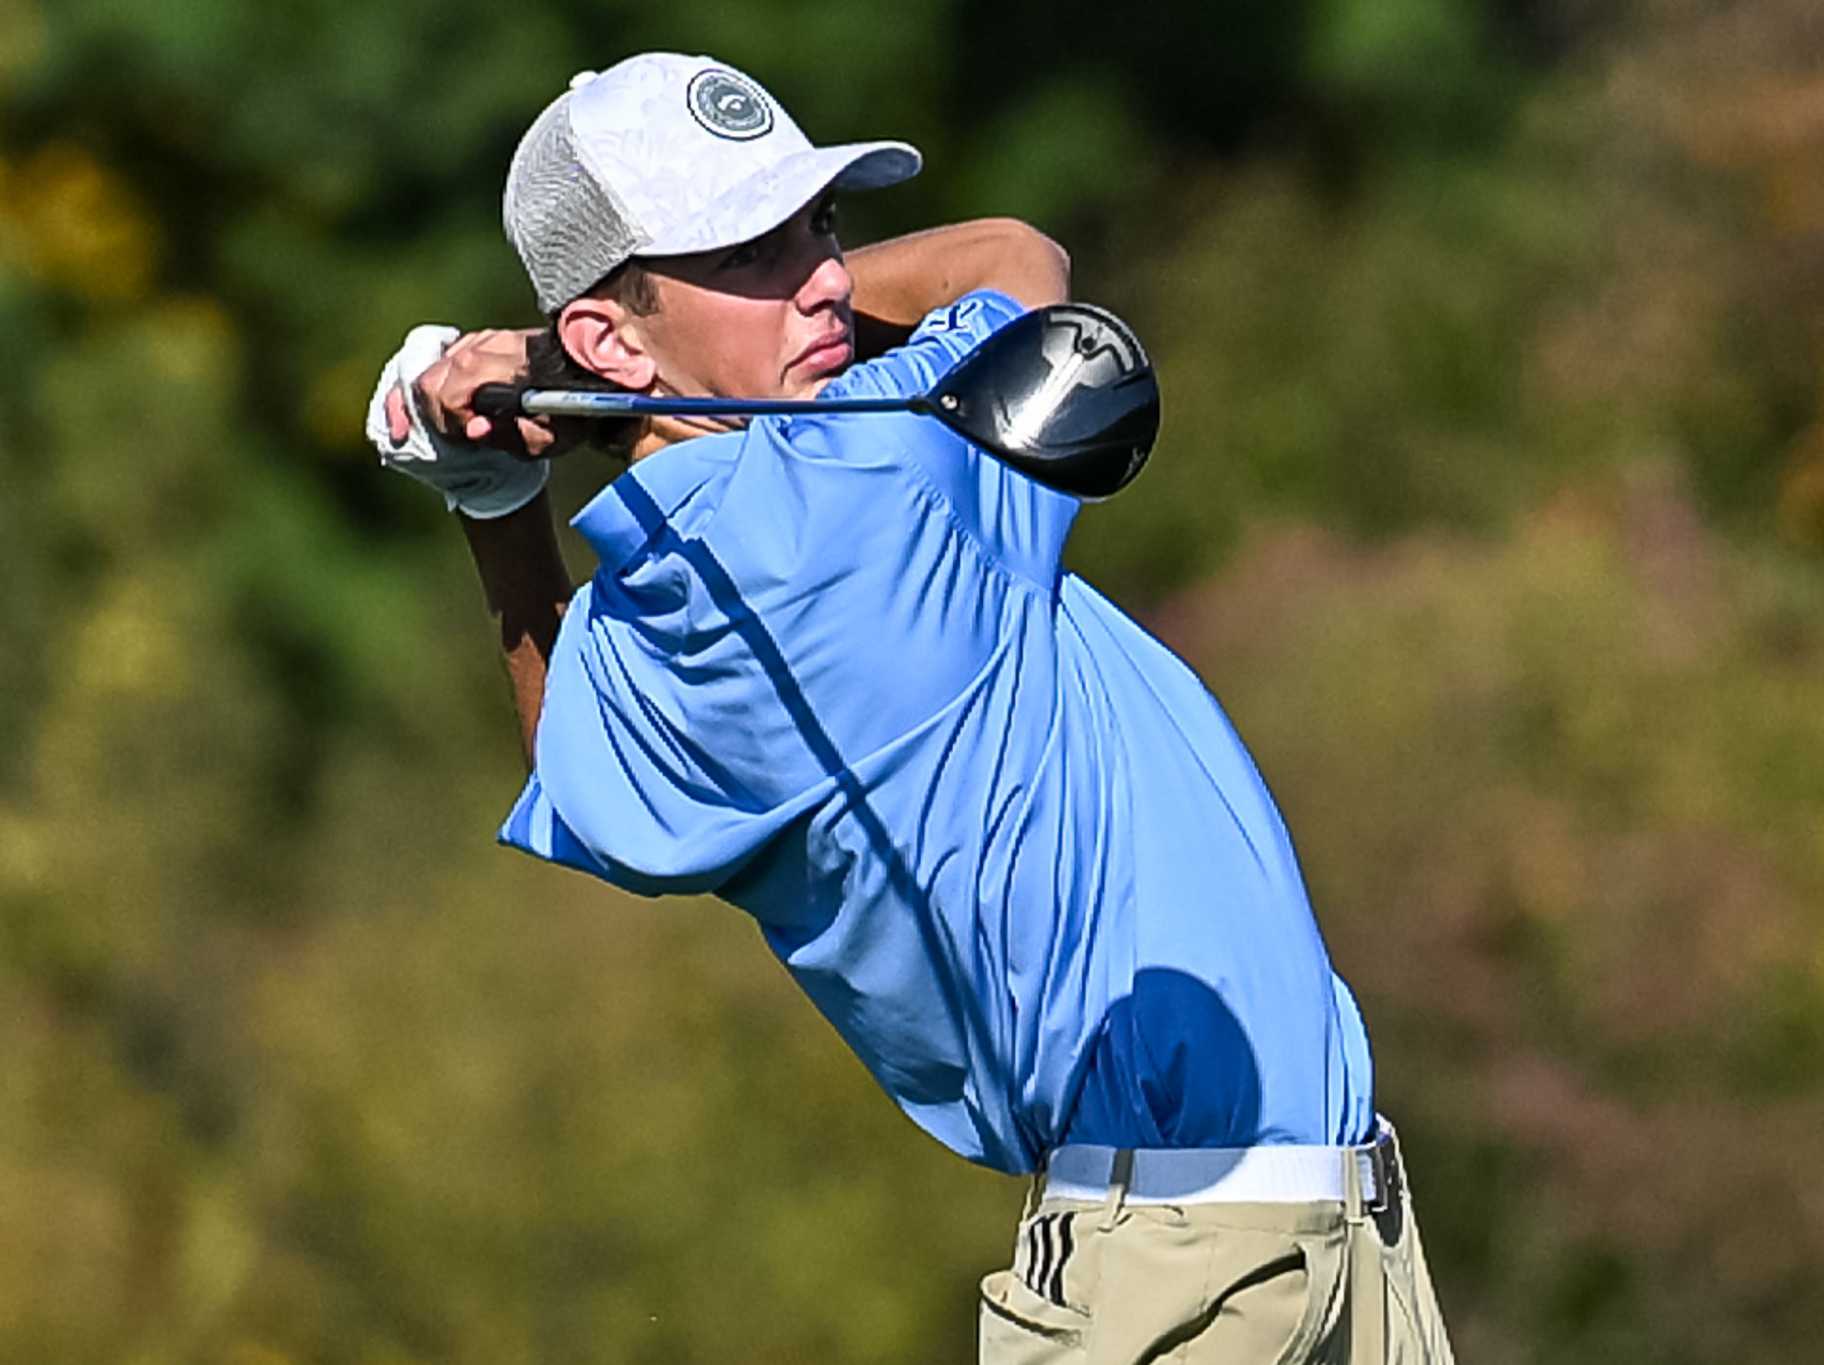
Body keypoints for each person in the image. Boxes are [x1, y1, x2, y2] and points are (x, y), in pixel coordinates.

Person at [367, 51, 1455, 1363]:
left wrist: (496, 503)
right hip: (1191, 1275)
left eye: (820, 223)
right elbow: (1011, 253)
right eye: (755, 252)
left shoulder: (659, 622)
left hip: (1274, 1249)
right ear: (608, 340)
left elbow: (576, 756)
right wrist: (558, 366)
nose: (826, 273)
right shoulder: (875, 474)